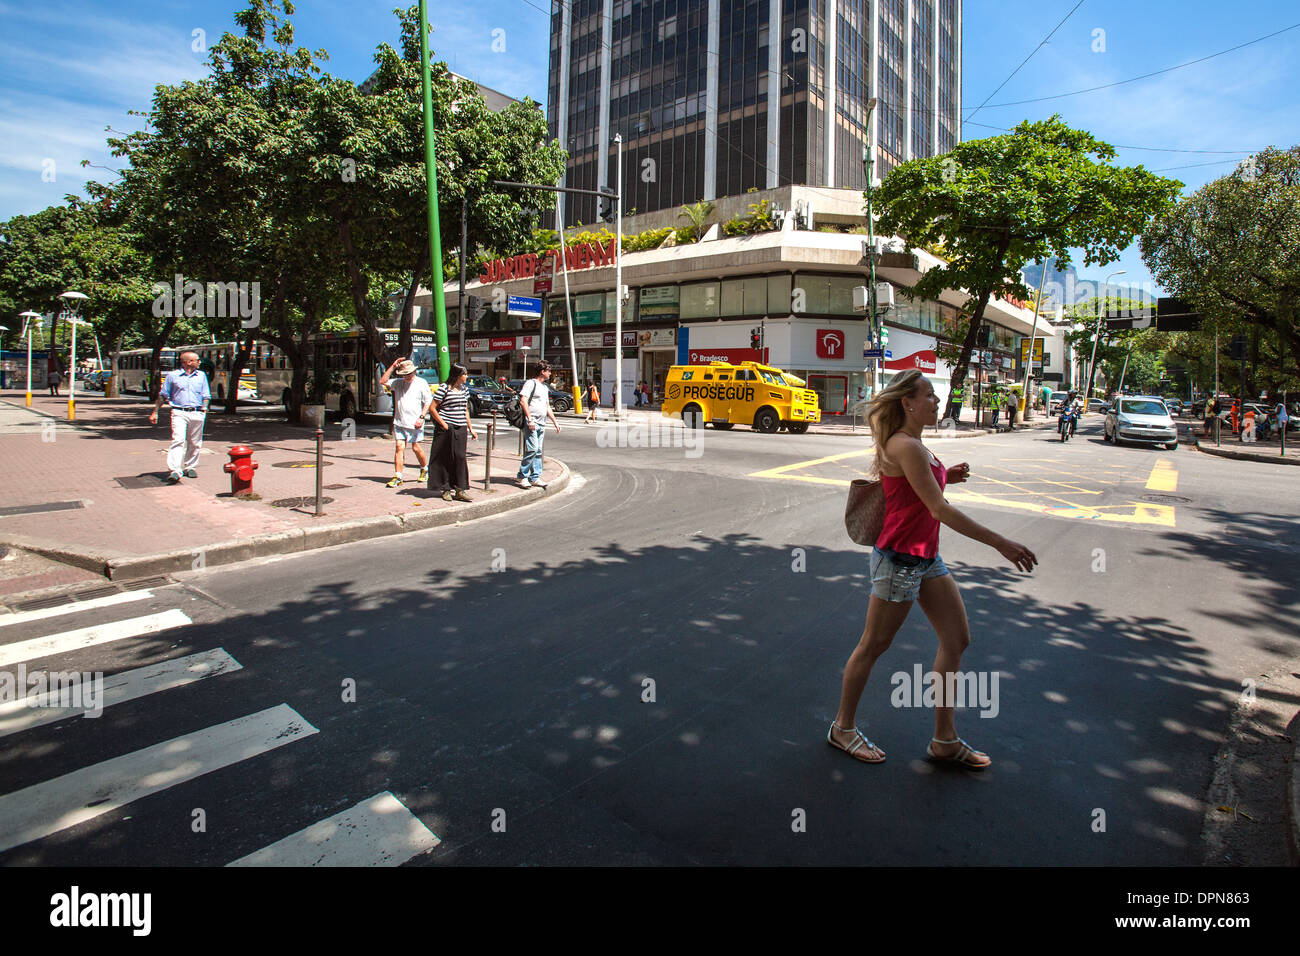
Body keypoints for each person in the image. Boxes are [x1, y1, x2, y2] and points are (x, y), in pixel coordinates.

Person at [828, 369, 1037, 769]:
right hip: (900, 560)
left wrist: (948, 475)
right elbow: (936, 508)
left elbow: (916, 489)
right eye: (929, 395)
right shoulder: (904, 445)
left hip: (926, 559)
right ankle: (843, 728)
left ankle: (944, 740)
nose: (937, 402)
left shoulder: (916, 444)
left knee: (956, 640)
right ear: (907, 402)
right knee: (873, 645)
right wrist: (1002, 543)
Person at [149, 349, 211, 483]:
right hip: (179, 412)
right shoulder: (172, 376)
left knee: (195, 442)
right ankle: (175, 470)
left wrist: (204, 408)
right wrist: (155, 411)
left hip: (197, 412)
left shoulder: (201, 375)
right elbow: (163, 395)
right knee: (178, 440)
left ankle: (190, 466)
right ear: (188, 362)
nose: (199, 362)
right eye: (197, 360)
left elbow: (206, 394)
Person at [378, 356, 433, 488]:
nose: (407, 376)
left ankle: (424, 468)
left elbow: (428, 401)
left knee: (416, 448)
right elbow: (383, 381)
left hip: (415, 421)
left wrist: (422, 417)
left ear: (414, 371)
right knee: (399, 447)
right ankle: (398, 476)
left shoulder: (421, 383)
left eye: (409, 373)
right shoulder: (398, 382)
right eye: (404, 374)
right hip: (399, 421)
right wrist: (392, 366)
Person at [427, 363, 478, 501]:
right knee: (446, 458)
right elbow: (432, 408)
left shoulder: (464, 389)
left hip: (460, 426)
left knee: (460, 457)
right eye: (464, 374)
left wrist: (471, 428)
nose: (466, 376)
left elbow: (465, 409)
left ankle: (460, 489)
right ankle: (446, 488)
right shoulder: (444, 388)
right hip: (447, 426)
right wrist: (444, 424)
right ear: (457, 375)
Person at [517, 361, 560, 489]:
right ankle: (522, 476)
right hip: (532, 422)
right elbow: (523, 400)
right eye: (549, 371)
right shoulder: (531, 383)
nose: (550, 373)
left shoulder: (544, 387)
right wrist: (529, 419)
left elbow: (547, 407)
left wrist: (555, 422)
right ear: (542, 371)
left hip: (542, 423)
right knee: (532, 449)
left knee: (538, 451)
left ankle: (535, 477)